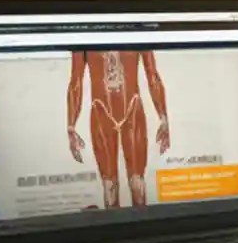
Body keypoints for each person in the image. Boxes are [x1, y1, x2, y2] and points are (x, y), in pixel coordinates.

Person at [66, 49, 172, 207]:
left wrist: (163, 117)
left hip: (132, 111)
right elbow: (76, 80)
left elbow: (152, 74)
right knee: (110, 188)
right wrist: (71, 126)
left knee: (137, 184)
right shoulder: (83, 33)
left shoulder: (136, 28)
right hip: (101, 112)